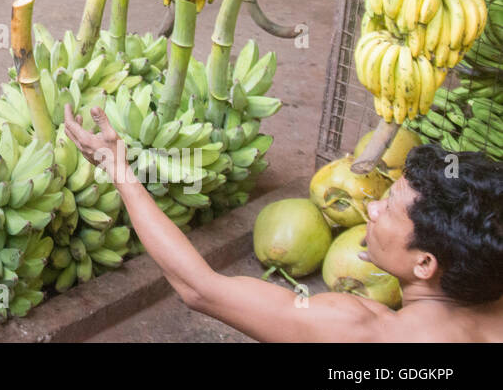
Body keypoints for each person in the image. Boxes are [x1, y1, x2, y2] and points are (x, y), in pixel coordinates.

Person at [64, 106, 503, 342]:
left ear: (426, 263)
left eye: (387, 208)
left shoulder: (358, 330)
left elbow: (200, 287)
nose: (369, 210)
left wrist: (118, 169)